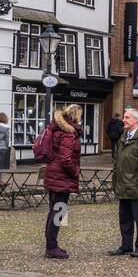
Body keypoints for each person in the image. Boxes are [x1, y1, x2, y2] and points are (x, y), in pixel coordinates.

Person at [108, 108, 138, 258]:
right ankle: (126, 245)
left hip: (135, 186)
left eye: (127, 117)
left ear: (136, 120)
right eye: (124, 117)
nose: (124, 120)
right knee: (124, 218)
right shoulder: (123, 138)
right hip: (123, 185)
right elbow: (118, 161)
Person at [42, 105, 83, 259]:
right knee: (60, 210)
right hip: (62, 177)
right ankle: (51, 247)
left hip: (54, 174)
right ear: (76, 116)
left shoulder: (57, 129)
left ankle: (51, 244)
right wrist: (74, 171)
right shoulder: (68, 133)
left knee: (54, 210)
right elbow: (66, 158)